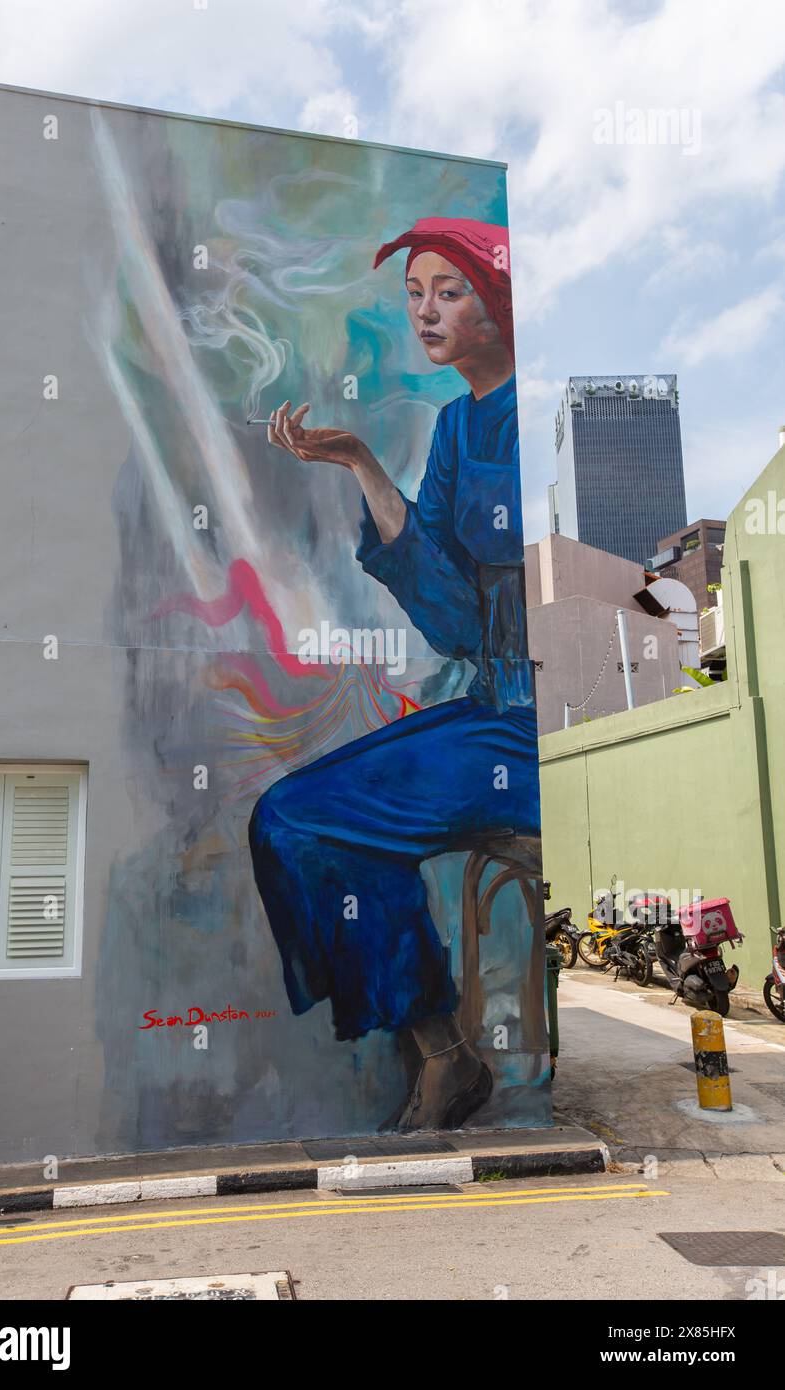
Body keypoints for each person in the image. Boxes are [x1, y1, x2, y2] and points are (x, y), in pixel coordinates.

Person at [248, 217, 540, 1131]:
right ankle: (444, 1054)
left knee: (315, 814)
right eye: (414, 293)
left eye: (447, 291)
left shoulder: (548, 409)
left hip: (554, 732)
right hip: (490, 709)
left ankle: (449, 1063)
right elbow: (453, 618)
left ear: (497, 304)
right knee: (296, 815)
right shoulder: (457, 429)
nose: (424, 311)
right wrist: (361, 463)